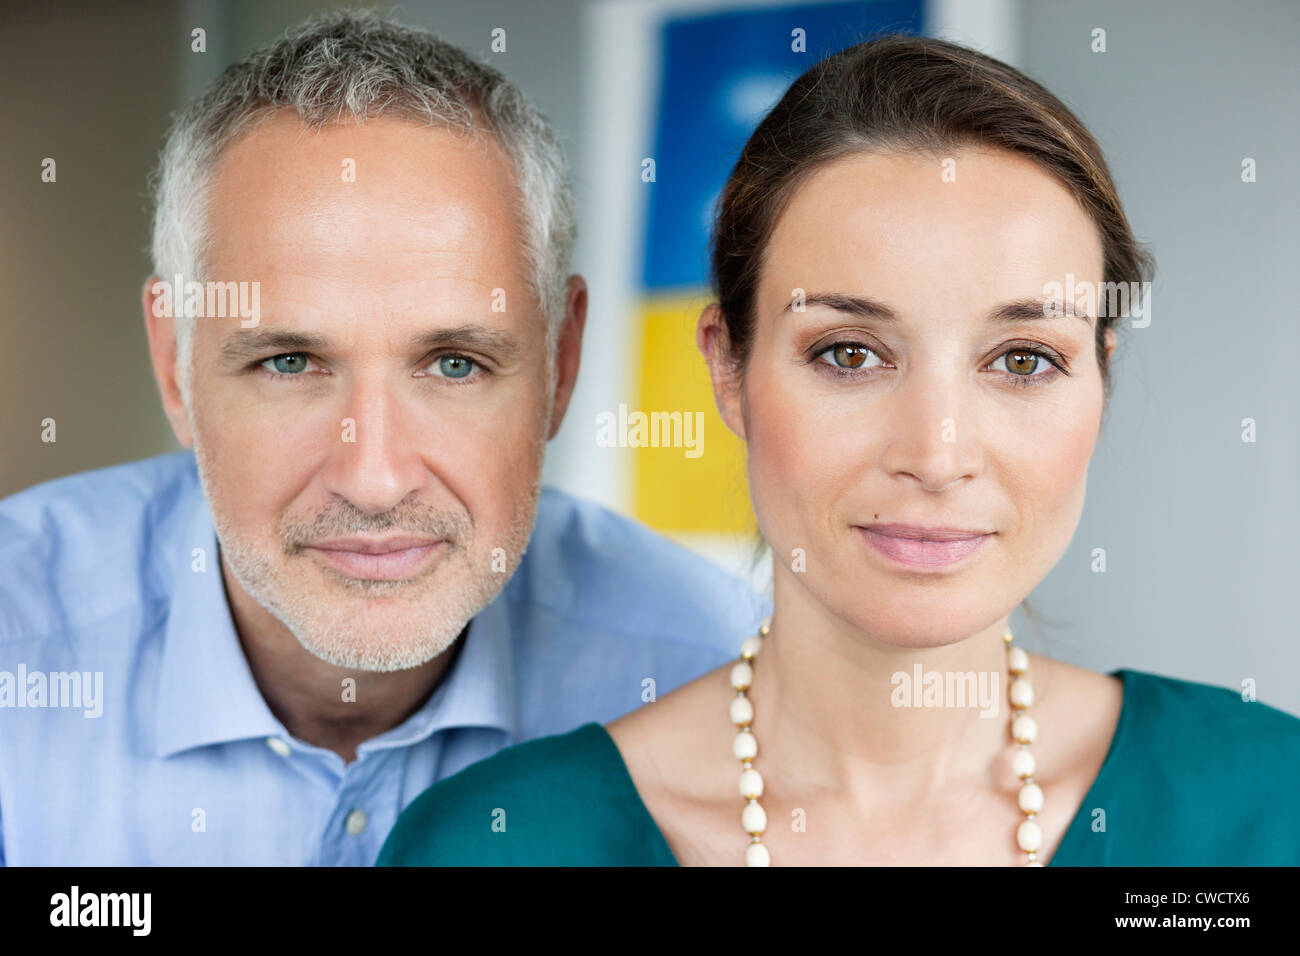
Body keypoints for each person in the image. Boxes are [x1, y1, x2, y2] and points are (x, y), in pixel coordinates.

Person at [378, 33, 1300, 867]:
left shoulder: (1265, 806)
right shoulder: (499, 845)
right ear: (728, 369)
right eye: (849, 354)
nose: (937, 457)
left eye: (1022, 359)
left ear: (1098, 377)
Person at [0, 10, 765, 865]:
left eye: (454, 365)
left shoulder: (722, 680)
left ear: (562, 360)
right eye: (290, 362)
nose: (374, 479)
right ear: (174, 365)